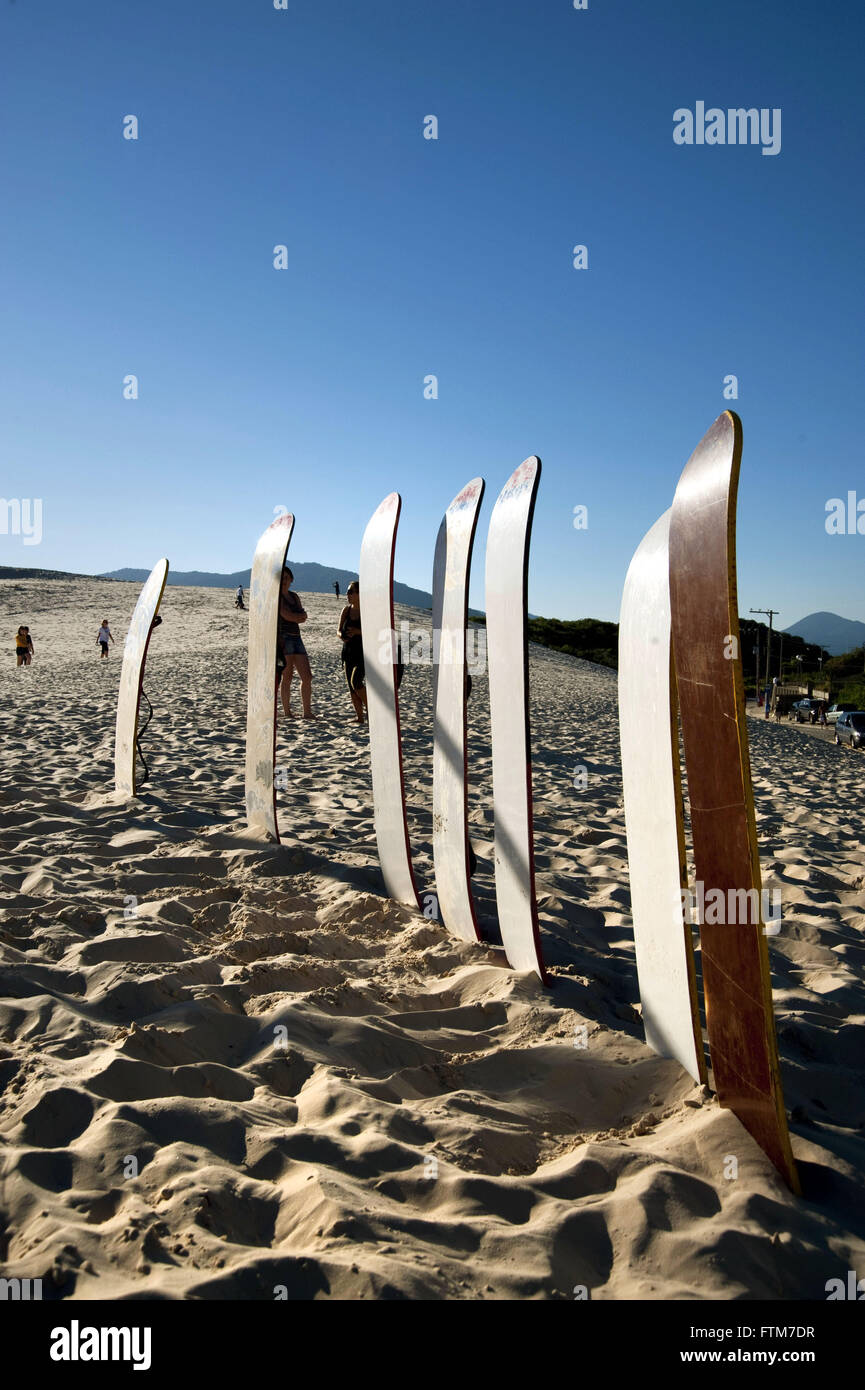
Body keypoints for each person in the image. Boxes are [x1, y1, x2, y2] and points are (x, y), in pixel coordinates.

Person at [277, 567, 313, 718]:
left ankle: (307, 712)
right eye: (282, 577)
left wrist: (297, 616)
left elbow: (303, 616)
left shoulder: (294, 596)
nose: (285, 580)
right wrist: (297, 616)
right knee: (288, 676)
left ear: (291, 580)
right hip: (283, 638)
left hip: (296, 637)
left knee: (307, 676)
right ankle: (287, 712)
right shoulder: (278, 597)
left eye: (287, 578)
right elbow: (288, 615)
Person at [338, 581, 366, 723]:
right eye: (347, 592)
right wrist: (341, 636)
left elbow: (373, 632)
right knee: (351, 686)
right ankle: (360, 717)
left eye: (350, 592)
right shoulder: (346, 610)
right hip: (347, 651)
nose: (347, 595)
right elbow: (338, 630)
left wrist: (357, 632)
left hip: (363, 653)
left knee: (356, 682)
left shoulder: (367, 611)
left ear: (359, 594)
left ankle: (372, 711)